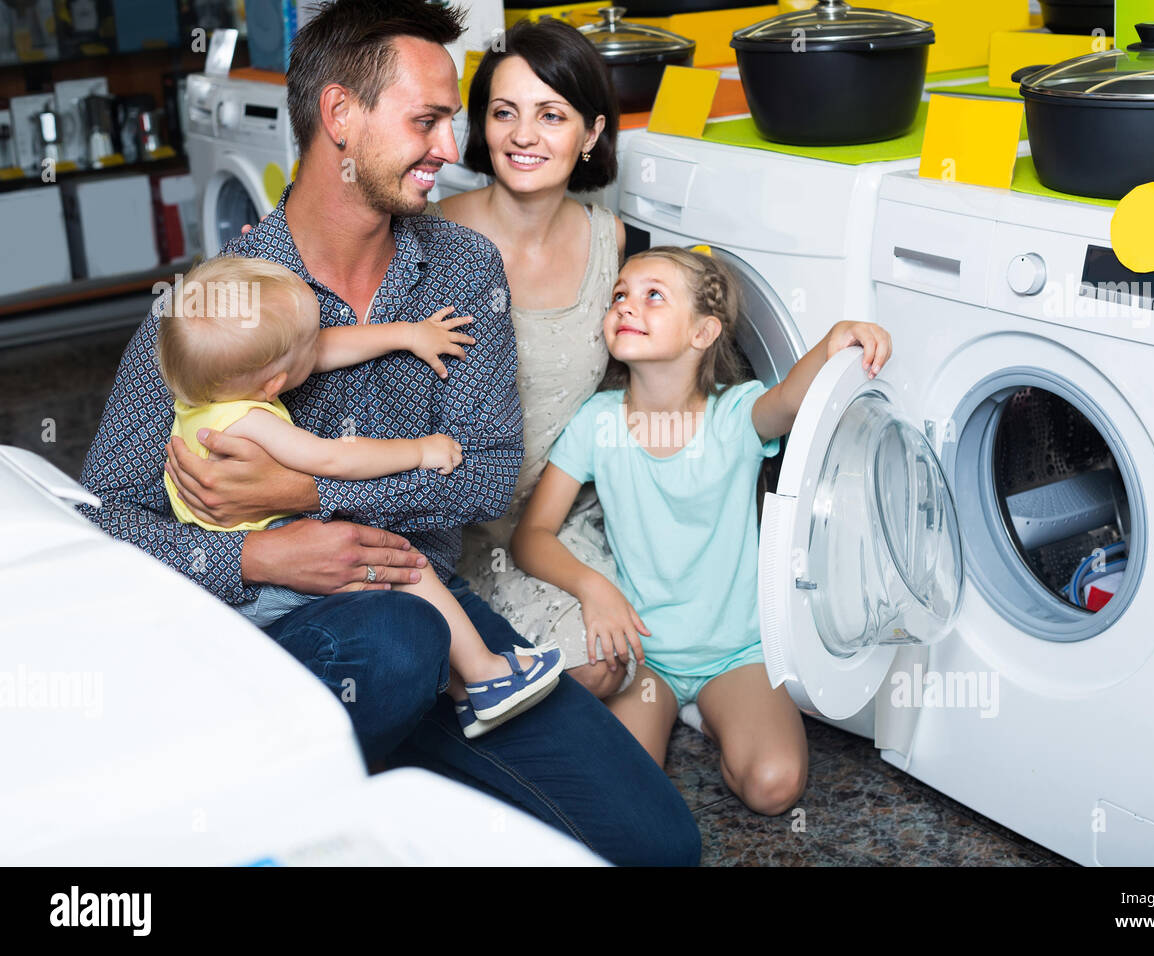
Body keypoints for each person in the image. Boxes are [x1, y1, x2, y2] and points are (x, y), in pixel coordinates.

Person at [78, 0, 699, 866]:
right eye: (428, 120)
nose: (452, 149)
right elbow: (106, 514)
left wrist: (312, 491)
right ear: (340, 117)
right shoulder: (218, 304)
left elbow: (486, 473)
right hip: (277, 637)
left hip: (443, 625)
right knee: (397, 642)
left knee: (658, 844)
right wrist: (261, 557)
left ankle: (386, 774)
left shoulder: (460, 268)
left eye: (451, 119)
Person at [512, 246, 894, 816]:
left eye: (653, 296)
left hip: (736, 655)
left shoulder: (734, 417)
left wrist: (837, 336)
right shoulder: (597, 424)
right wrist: (594, 588)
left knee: (773, 787)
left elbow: (793, 398)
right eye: (619, 294)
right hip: (645, 658)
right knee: (616, 796)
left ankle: (718, 716)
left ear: (703, 332)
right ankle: (683, 713)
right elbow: (531, 535)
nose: (626, 306)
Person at [156, 255, 564, 734]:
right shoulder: (254, 422)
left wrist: (407, 334)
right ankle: (489, 676)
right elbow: (335, 461)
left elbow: (320, 349)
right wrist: (418, 450)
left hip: (225, 586)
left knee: (393, 600)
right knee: (404, 566)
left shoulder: (200, 394)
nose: (322, 344)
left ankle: (460, 692)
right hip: (270, 579)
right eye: (306, 347)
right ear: (274, 384)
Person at [428, 17, 631, 699]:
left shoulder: (612, 242)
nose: (523, 135)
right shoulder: (431, 233)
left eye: (552, 115)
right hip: (441, 526)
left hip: (555, 522)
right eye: (504, 112)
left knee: (603, 664)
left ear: (592, 133)